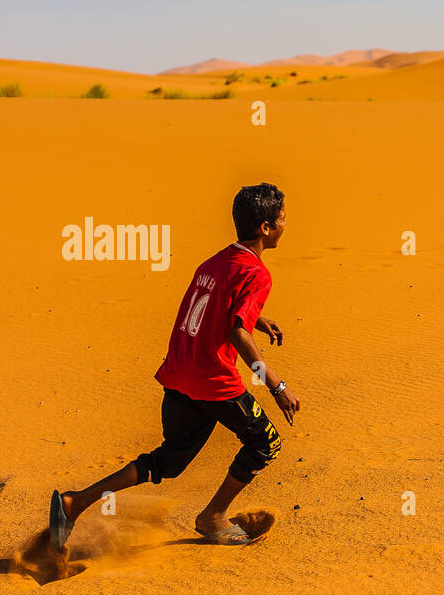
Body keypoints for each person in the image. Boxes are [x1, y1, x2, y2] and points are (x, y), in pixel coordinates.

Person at [49, 182, 301, 549]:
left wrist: (257, 318)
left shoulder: (214, 261)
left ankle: (75, 503)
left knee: (167, 461)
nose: (284, 226)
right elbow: (236, 334)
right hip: (212, 380)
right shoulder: (258, 273)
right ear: (265, 227)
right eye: (281, 219)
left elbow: (218, 303)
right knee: (265, 443)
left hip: (179, 373)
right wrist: (277, 386)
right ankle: (212, 516)